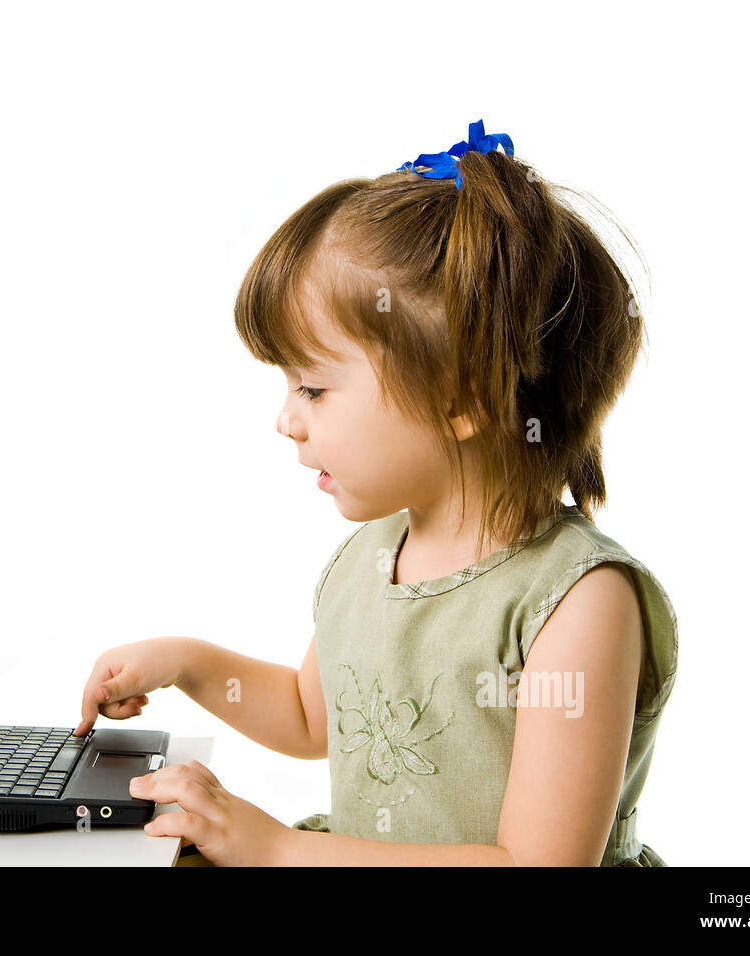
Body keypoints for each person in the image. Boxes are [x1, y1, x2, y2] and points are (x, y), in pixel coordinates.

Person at [73, 120, 678, 866]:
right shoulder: (371, 558)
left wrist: (279, 850)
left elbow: (538, 865)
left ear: (461, 399)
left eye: (314, 387)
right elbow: (309, 717)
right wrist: (187, 663)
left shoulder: (577, 602)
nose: (285, 419)